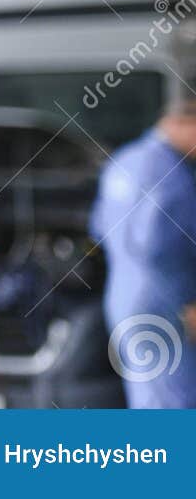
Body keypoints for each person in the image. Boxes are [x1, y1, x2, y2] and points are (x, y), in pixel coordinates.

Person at [92, 82, 196, 408]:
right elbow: (157, 244)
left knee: (147, 395)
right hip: (165, 300)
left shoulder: (126, 158)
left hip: (123, 293)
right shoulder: (169, 169)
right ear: (183, 122)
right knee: (174, 402)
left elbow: (98, 227)